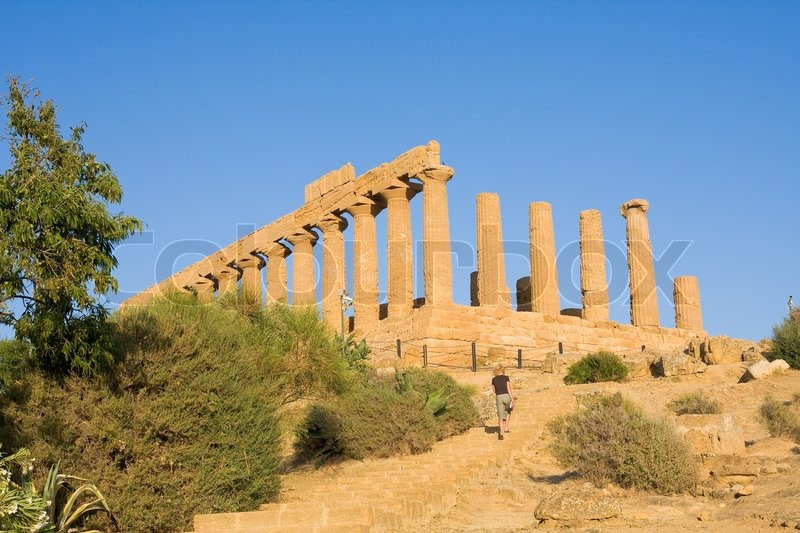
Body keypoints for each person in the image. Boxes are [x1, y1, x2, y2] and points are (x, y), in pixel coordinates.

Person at [491, 364, 514, 440]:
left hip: (498, 397)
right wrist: (512, 399)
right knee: (509, 411)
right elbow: (508, 388)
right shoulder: (506, 377)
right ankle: (506, 428)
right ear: (502, 370)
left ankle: (501, 433)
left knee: (501, 417)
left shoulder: (493, 379)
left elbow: (494, 390)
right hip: (506, 396)